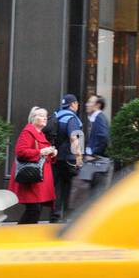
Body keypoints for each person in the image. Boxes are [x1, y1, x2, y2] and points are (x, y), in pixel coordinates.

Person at [10, 107, 56, 224]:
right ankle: (20, 236)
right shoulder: (28, 132)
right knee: (34, 209)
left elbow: (44, 155)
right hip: (32, 179)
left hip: (38, 179)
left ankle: (25, 236)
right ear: (32, 118)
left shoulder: (39, 133)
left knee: (36, 209)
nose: (45, 118)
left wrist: (52, 153)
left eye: (45, 115)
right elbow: (20, 152)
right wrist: (41, 152)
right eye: (40, 115)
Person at [70, 93, 113, 212]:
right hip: (95, 163)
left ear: (98, 105)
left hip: (97, 162)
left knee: (96, 193)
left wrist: (92, 152)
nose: (87, 104)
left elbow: (103, 136)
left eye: (90, 102)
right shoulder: (95, 118)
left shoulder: (99, 118)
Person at [48, 93, 84, 222]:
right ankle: (67, 218)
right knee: (69, 188)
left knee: (56, 188)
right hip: (69, 159)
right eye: (77, 103)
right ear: (73, 104)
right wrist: (79, 157)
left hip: (55, 158)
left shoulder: (57, 115)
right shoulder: (72, 118)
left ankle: (54, 216)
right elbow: (74, 137)